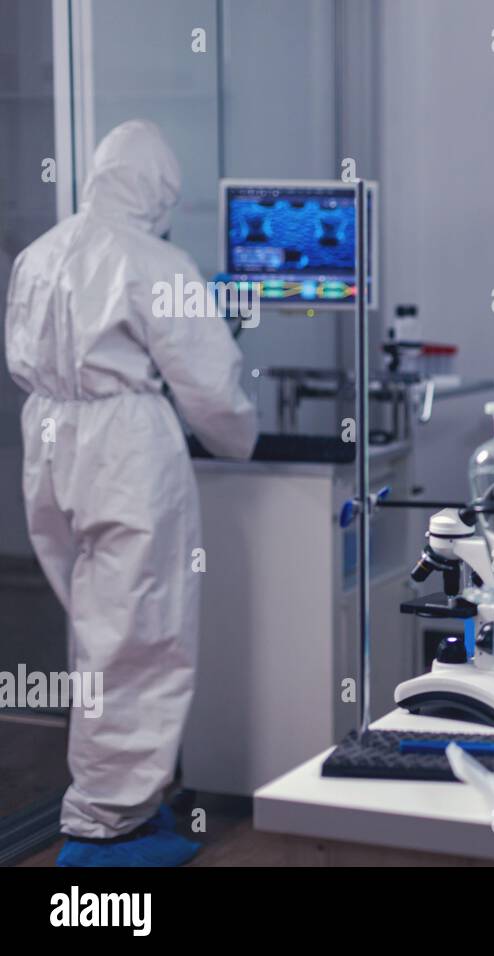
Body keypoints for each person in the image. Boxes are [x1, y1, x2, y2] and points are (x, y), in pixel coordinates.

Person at [5, 120, 257, 866]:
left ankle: (110, 803)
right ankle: (106, 825)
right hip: (125, 453)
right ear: (158, 189)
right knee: (141, 637)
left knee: (96, 633)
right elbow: (212, 388)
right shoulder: (156, 261)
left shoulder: (41, 253)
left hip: (49, 445)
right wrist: (239, 438)